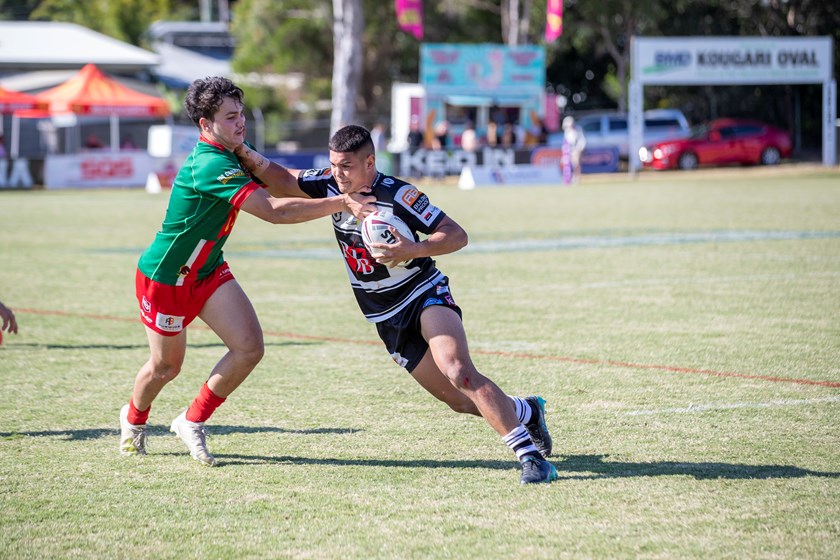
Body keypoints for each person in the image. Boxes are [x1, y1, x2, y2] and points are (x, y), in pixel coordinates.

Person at [234, 125, 557, 484]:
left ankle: (530, 458)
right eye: (333, 165)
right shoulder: (330, 185)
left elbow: (456, 234)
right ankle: (527, 410)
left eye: (346, 166)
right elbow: (283, 179)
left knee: (458, 370)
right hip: (385, 315)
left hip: (423, 292)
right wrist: (243, 151)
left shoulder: (398, 195)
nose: (337, 174)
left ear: (370, 162)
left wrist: (413, 250)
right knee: (460, 401)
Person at [119, 77, 376, 466]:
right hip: (166, 279)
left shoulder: (237, 150)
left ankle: (192, 421)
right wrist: (342, 202)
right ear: (206, 125)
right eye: (230, 117)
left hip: (207, 270)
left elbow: (285, 184)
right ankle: (133, 421)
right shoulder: (209, 163)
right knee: (166, 367)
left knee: (249, 347)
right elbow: (273, 211)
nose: (241, 123)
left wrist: (261, 161)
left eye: (241, 114)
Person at [562, 116, 587, 183]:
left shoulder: (578, 129)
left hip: (577, 149)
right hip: (569, 150)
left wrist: (579, 148)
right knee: (569, 165)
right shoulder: (567, 131)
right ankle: (570, 177)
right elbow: (566, 142)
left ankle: (576, 178)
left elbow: (582, 140)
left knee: (576, 164)